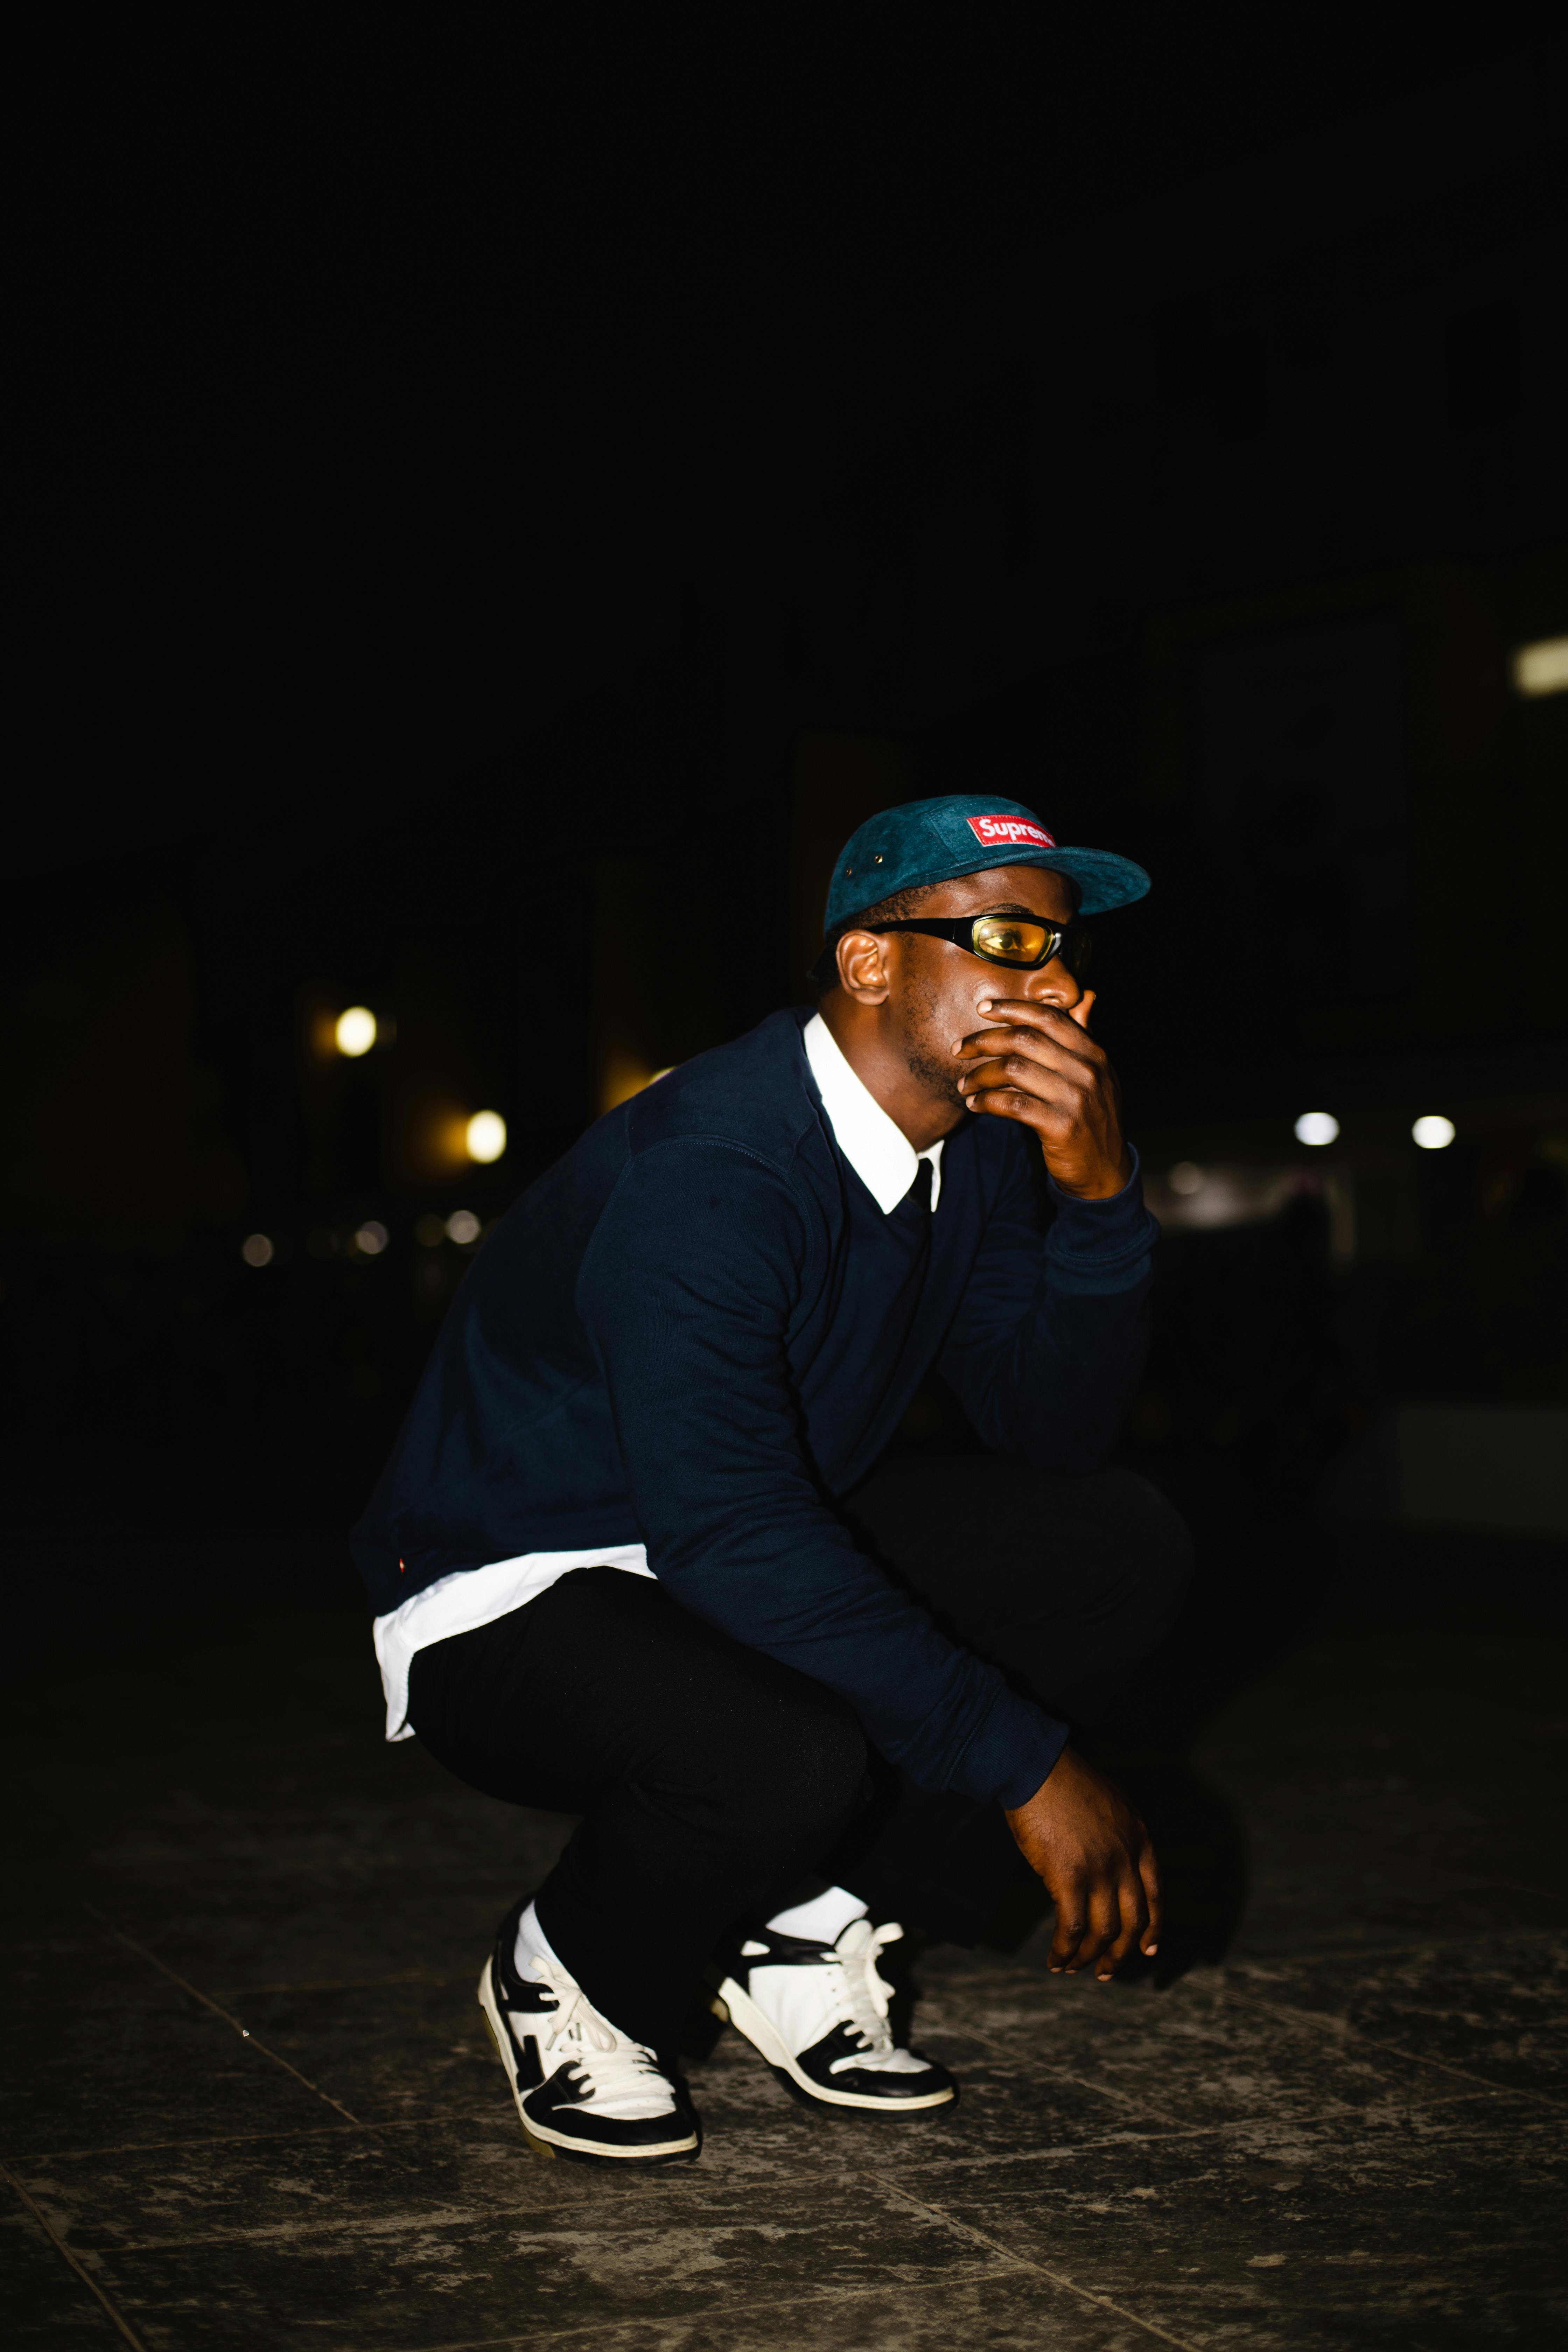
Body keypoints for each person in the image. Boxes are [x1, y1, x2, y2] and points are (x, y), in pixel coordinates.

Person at [352, 793, 1191, 2165]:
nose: (1053, 982)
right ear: (869, 961)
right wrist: (1029, 1767)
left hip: (716, 1550)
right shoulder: (719, 1165)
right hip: (511, 1587)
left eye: (1061, 948)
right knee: (786, 1748)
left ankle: (800, 1919)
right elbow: (732, 1533)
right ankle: (568, 1968)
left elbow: (1049, 1434)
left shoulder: (972, 1153)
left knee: (1116, 1543)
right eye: (1003, 938)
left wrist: (1097, 1204)